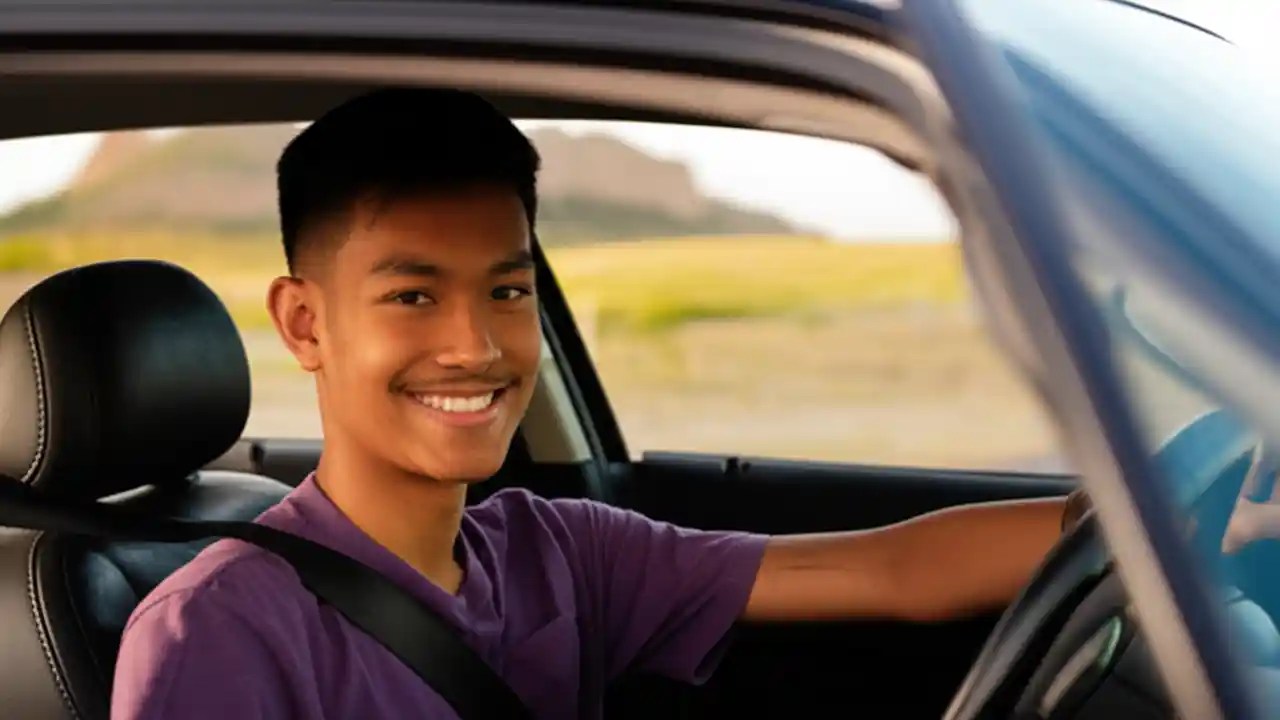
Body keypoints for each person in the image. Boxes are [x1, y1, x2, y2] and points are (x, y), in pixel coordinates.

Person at [111, 88, 1074, 719]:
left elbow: (889, 569)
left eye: (508, 290)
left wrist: (1158, 526)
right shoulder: (219, 629)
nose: (476, 346)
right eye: (412, 296)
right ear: (305, 324)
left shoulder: (559, 551)